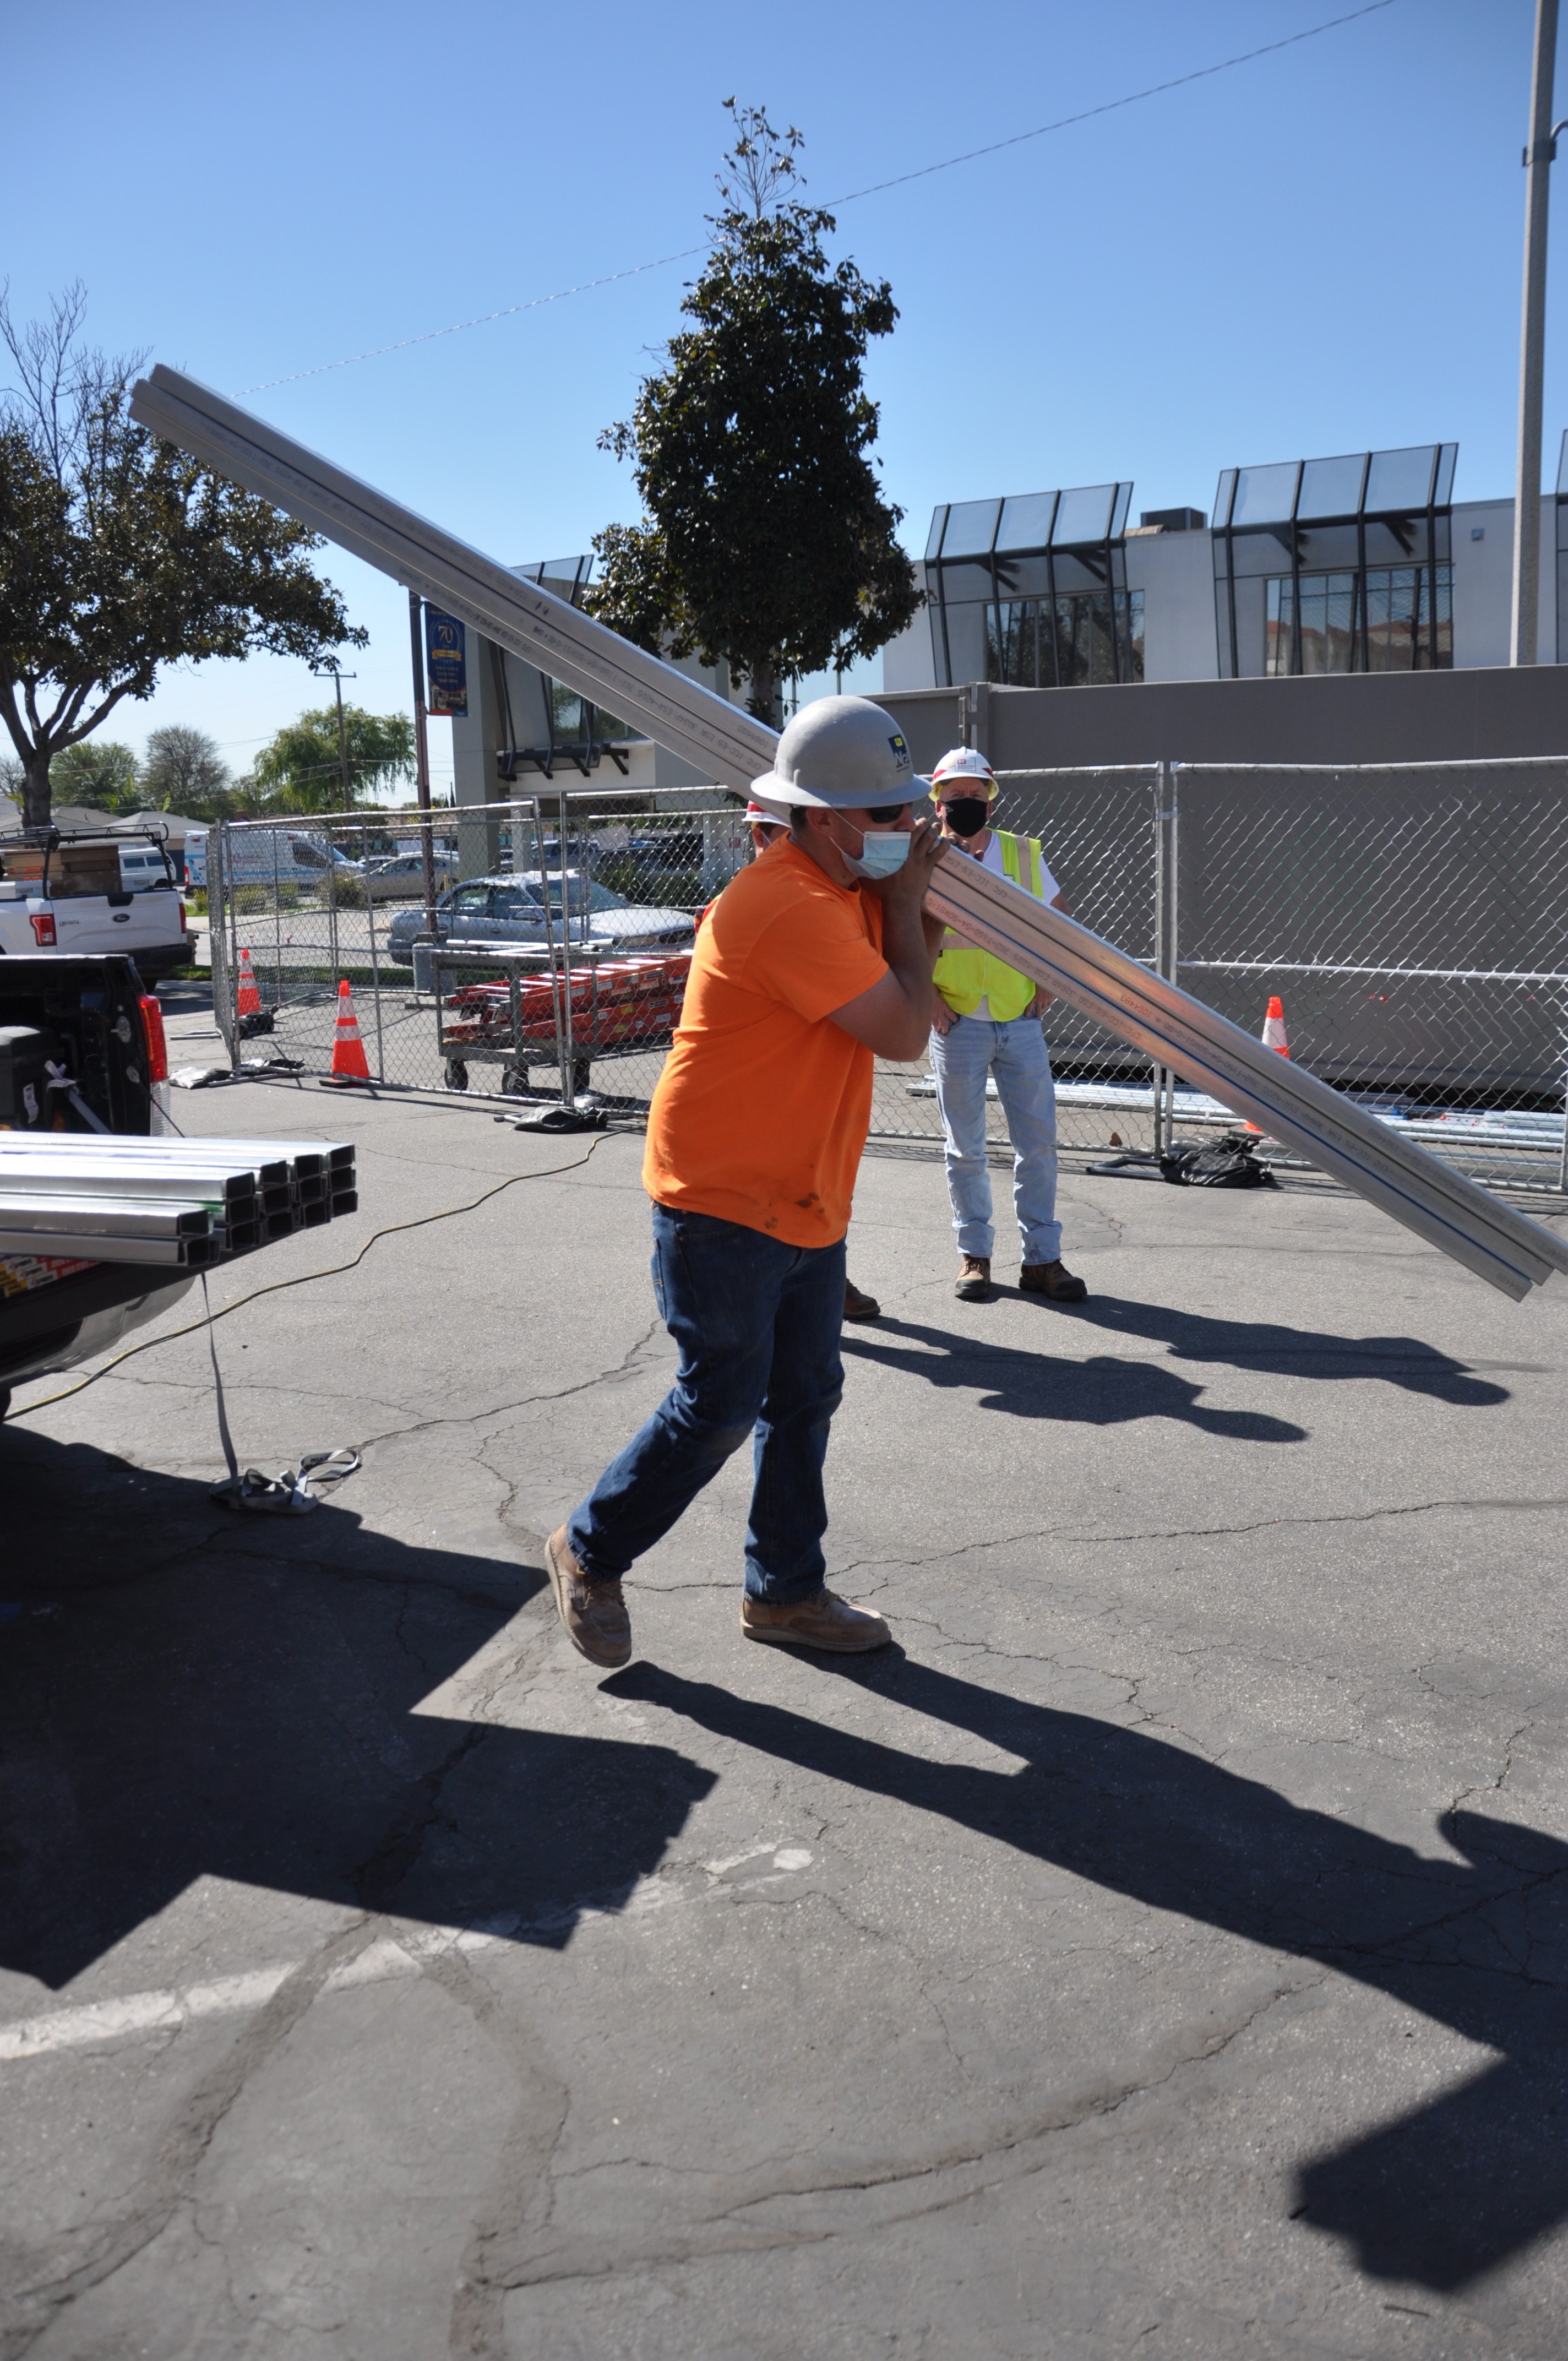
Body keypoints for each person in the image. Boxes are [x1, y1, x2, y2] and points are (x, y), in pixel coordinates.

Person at [546, 697, 946, 1669]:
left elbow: (919, 988)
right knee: (720, 1402)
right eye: (888, 814)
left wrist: (910, 904)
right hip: (722, 1199)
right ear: (820, 818)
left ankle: (784, 1592)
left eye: (909, 809)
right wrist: (907, 905)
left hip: (802, 1196)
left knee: (803, 1394)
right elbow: (904, 1031)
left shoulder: (843, 888)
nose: (908, 829)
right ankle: (588, 1549)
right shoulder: (787, 905)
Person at [926, 746, 1087, 1307]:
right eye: (956, 797)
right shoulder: (920, 858)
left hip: (1020, 1018)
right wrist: (925, 997)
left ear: (989, 800)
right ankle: (975, 1258)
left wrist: (1047, 982)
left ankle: (1042, 1261)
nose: (966, 804)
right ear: (937, 801)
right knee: (964, 1148)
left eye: (976, 795)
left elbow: (1058, 920)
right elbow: (894, 932)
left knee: (1037, 1144)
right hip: (956, 1020)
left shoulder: (1021, 853)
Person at [745, 790, 881, 1326]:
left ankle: (823, 1278)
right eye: (781, 838)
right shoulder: (744, 908)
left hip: (815, 1103)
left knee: (822, 1188)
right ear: (759, 837)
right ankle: (789, 1286)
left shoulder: (830, 904)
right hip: (765, 1102)